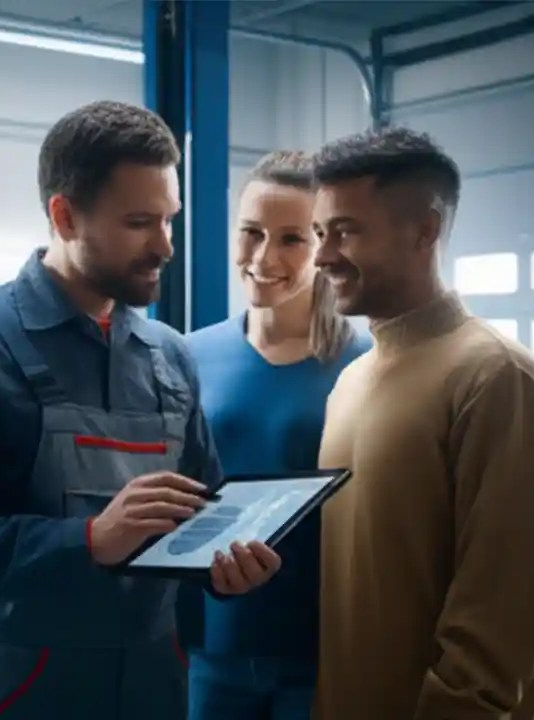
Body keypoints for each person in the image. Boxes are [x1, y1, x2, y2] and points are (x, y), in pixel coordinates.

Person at [0, 100, 282, 720]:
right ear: (64, 216)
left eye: (169, 220)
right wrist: (87, 540)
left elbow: (202, 513)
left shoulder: (170, 357)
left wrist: (223, 565)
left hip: (153, 684)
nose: (165, 246)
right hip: (19, 687)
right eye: (140, 223)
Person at [310, 127, 534, 719]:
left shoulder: (497, 377)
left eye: (345, 230)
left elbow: (502, 607)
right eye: (321, 232)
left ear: (423, 231)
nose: (321, 256)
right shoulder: (351, 380)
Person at [180, 150, 371, 720]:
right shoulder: (186, 355)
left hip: (325, 648)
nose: (265, 257)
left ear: (324, 247)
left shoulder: (366, 363)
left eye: (293, 238)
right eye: (252, 233)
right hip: (212, 644)